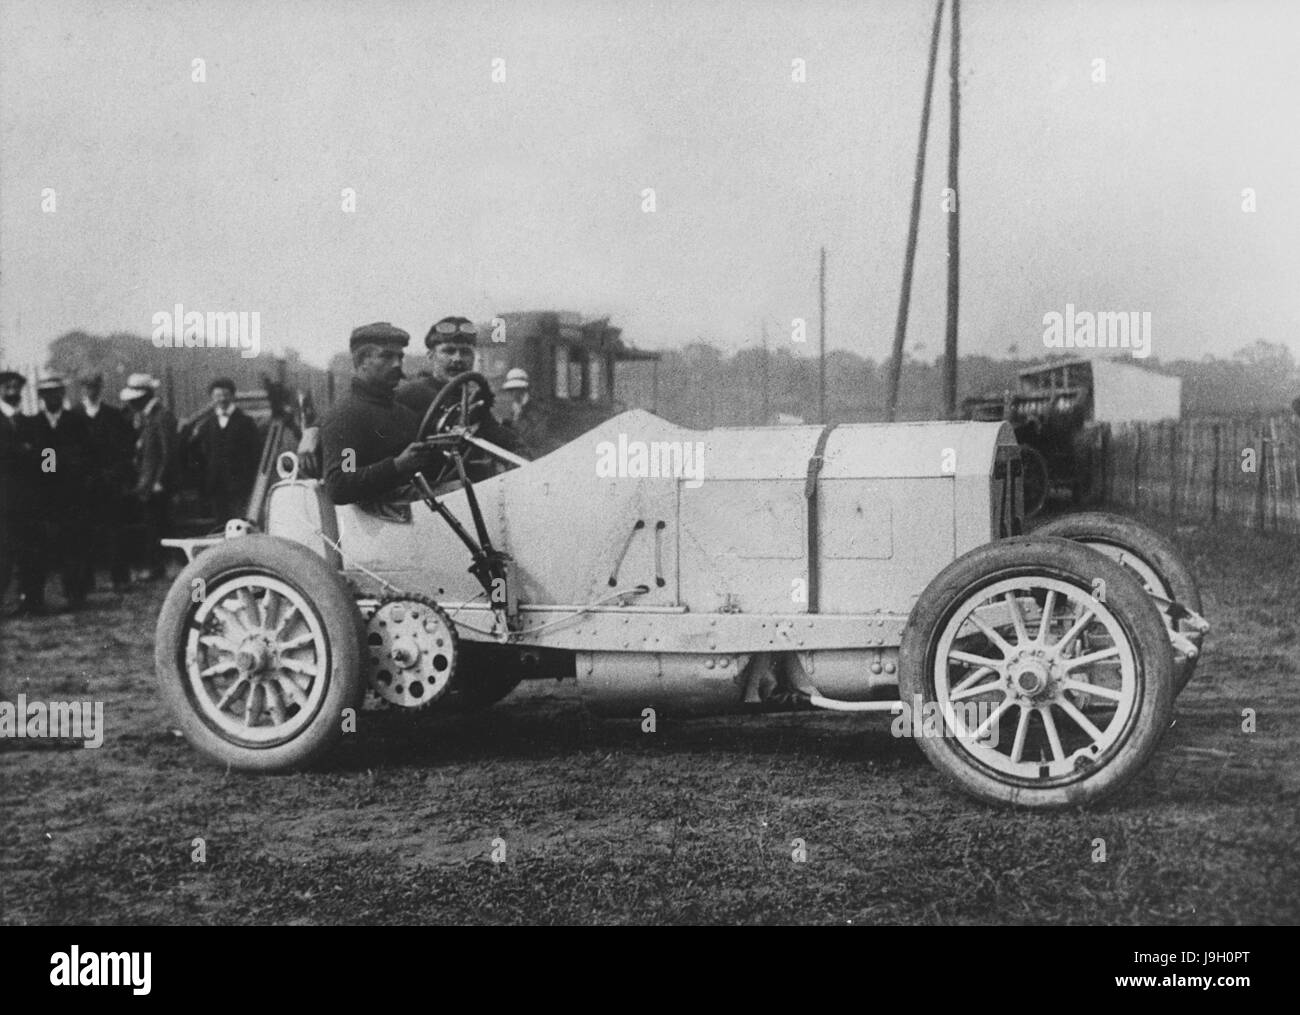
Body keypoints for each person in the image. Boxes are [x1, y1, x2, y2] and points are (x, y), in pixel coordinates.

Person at [318, 322, 442, 512]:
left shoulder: (403, 412)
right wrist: (397, 466)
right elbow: (341, 483)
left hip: (413, 509)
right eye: (386, 356)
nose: (397, 364)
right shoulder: (347, 415)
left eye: (400, 357)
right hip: (382, 517)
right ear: (362, 361)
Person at [395, 315, 523, 479]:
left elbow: (501, 438)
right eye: (449, 351)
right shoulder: (409, 395)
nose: (458, 359)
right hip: (425, 491)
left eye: (465, 352)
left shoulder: (472, 400)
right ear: (430, 356)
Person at [19, 372, 93, 612]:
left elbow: (86, 457)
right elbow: (36, 461)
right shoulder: (33, 424)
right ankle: (34, 599)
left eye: (56, 393)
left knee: (74, 546)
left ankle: (75, 594)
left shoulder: (77, 422)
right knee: (37, 549)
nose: (52, 398)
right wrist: (48, 465)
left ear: (62, 395)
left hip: (72, 496)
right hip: (43, 498)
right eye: (46, 394)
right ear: (41, 397)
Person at [72, 371, 136, 594]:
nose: (91, 391)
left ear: (101, 388)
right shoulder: (73, 415)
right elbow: (63, 450)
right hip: (82, 484)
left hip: (109, 482)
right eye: (87, 387)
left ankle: (120, 578)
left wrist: (115, 474)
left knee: (114, 531)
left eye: (95, 387)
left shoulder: (113, 415)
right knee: (83, 533)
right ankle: (85, 581)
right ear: (82, 389)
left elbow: (126, 448)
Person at [120, 372, 178, 582]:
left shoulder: (161, 416)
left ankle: (160, 566)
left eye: (135, 400)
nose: (132, 405)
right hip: (148, 484)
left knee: (159, 525)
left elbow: (168, 451)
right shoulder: (147, 417)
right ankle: (157, 566)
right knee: (152, 525)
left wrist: (160, 481)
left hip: (156, 485)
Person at [189, 378, 261, 522]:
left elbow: (255, 453)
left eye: (225, 395)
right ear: (212, 398)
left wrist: (248, 479)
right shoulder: (207, 425)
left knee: (240, 522)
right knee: (221, 523)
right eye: (217, 396)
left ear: (233, 396)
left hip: (240, 484)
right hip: (216, 485)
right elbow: (198, 454)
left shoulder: (246, 422)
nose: (222, 399)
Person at [0, 369, 36, 615]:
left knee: (29, 550)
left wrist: (49, 474)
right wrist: (22, 451)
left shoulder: (30, 423)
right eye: (8, 387)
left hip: (28, 498)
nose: (13, 392)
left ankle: (31, 600)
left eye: (17, 388)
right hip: (3, 498)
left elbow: (48, 453)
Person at [500, 367, 554, 459]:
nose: (512, 393)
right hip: (517, 455)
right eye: (510, 390)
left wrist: (515, 423)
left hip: (535, 456)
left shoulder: (538, 409)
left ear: (523, 389)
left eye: (515, 389)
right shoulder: (514, 408)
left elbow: (537, 438)